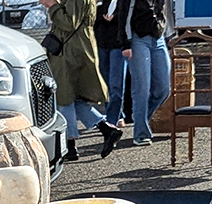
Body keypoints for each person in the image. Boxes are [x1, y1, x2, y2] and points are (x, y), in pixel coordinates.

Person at [39, 0, 122, 161]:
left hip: (70, 51)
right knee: (73, 98)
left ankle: (70, 146)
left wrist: (52, 6)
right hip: (75, 47)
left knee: (65, 97)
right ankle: (106, 129)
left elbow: (69, 22)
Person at [117, 0, 170, 146]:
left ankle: (141, 119)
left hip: (158, 38)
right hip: (138, 39)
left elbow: (164, 11)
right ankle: (141, 133)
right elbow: (124, 15)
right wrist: (125, 43)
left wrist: (169, 35)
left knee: (163, 89)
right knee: (142, 88)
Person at [95, 0, 127, 129]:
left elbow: (127, 17)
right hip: (102, 43)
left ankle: (112, 119)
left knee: (116, 84)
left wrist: (114, 18)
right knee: (105, 83)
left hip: (118, 44)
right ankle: (118, 114)